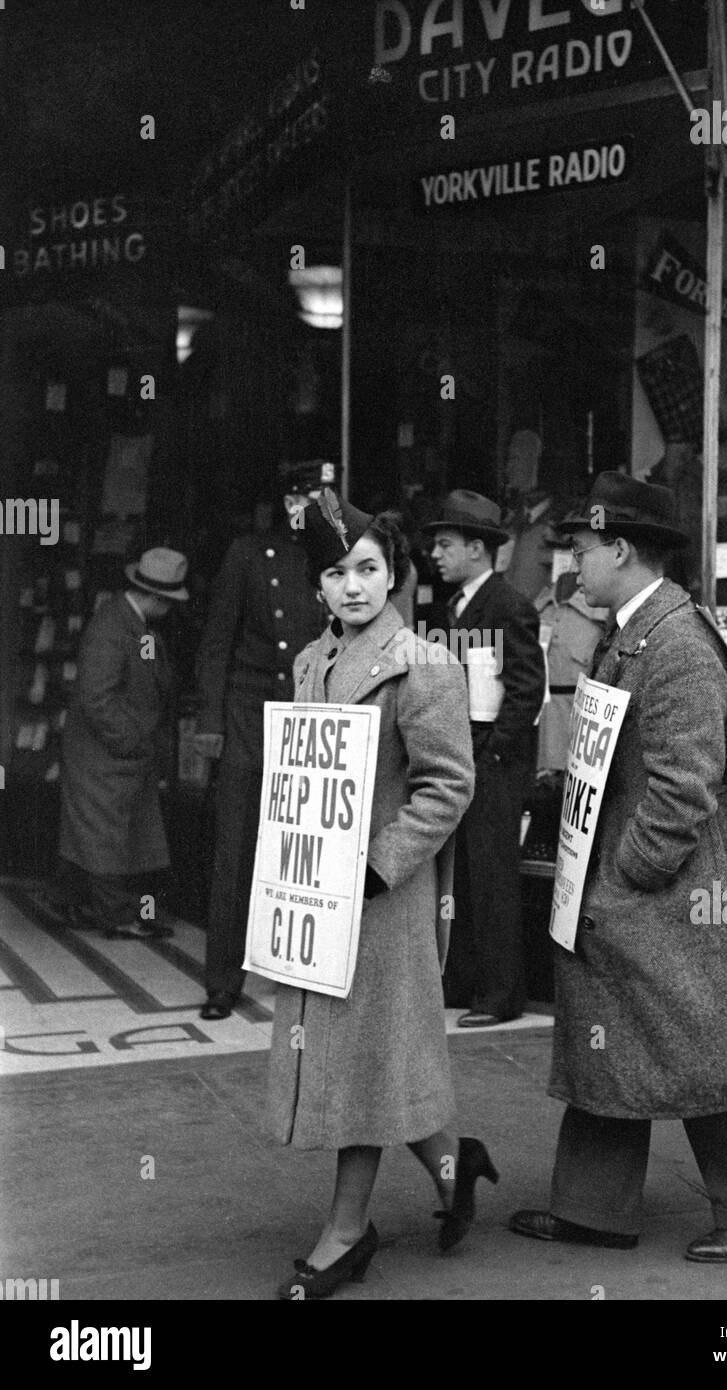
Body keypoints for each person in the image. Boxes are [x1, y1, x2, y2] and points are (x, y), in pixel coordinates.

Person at [510, 471, 727, 1262]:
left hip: (673, 883)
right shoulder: (637, 629)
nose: (572, 564)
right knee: (610, 1036)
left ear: (621, 549)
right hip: (639, 879)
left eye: (582, 549)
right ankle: (592, 1208)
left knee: (707, 1043)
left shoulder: (675, 641)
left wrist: (628, 875)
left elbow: (684, 787)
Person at [266, 491, 496, 1301]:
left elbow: (446, 785)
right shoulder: (308, 660)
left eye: (368, 568)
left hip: (382, 901)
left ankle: (346, 1231)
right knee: (373, 1056)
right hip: (319, 898)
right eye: (336, 572)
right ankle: (453, 1160)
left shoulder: (422, 664)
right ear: (319, 587)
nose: (354, 586)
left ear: (392, 572)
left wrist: (376, 864)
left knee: (359, 1061)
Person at [194, 464, 324, 1020]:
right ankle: (223, 979)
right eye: (304, 497)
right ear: (288, 499)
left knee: (312, 852)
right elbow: (216, 643)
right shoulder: (249, 553)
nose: (311, 507)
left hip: (316, 716)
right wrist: (212, 725)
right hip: (253, 714)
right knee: (237, 848)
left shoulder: (341, 559)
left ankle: (308, 969)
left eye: (323, 498)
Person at [425, 491, 546, 1027]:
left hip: (491, 765)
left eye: (446, 544)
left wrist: (495, 749)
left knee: (493, 878)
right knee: (463, 877)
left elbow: (526, 689)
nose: (435, 552)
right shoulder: (451, 608)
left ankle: (501, 995)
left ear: (478, 549)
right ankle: (463, 981)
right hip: (458, 757)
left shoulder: (508, 605)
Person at [58, 548, 189, 940]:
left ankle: (103, 910)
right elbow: (96, 698)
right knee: (106, 840)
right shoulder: (114, 627)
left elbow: (146, 678)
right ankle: (115, 917)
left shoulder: (134, 624)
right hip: (107, 757)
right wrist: (133, 742)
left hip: (116, 757)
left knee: (117, 839)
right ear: (158, 598)